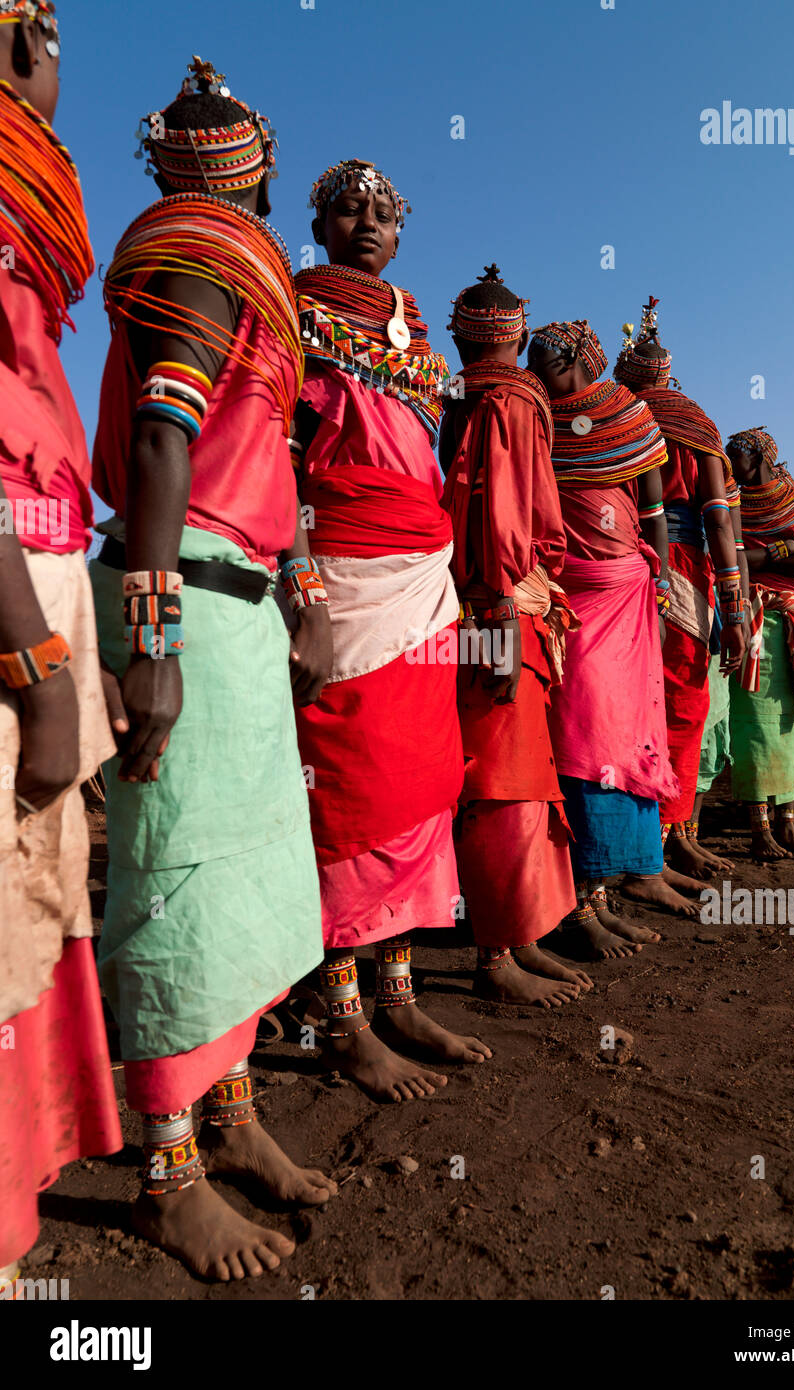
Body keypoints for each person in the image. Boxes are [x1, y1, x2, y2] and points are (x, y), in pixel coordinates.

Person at [90, 58, 336, 1281]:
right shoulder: (199, 256)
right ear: (257, 170)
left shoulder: (226, 264)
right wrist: (151, 643)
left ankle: (231, 1115)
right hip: (181, 591)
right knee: (176, 879)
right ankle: (165, 1172)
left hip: (228, 598)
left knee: (239, 878)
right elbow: (155, 436)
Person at [292, 161, 491, 1096]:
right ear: (318, 223)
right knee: (345, 788)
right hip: (339, 577)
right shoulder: (291, 314)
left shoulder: (418, 343)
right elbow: (280, 452)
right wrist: (293, 572)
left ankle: (401, 993)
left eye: (383, 212)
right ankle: (342, 1020)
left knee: (417, 782)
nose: (367, 223)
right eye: (347, 209)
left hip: (420, 576)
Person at [0, 0, 122, 1295]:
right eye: (45, 33)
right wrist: (34, 662)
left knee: (36, 897)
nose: (52, 65)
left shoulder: (29, 218)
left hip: (39, 586)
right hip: (9, 614)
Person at [439, 271, 593, 1006]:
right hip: (498, 607)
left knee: (515, 773)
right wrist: (502, 611)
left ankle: (520, 934)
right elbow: (502, 509)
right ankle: (494, 953)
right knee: (501, 778)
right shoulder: (507, 402)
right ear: (516, 337)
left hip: (483, 604)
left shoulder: (465, 396)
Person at [528, 317, 701, 944]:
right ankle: (579, 894)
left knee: (628, 732)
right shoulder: (534, 417)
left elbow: (654, 512)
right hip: (567, 592)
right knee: (580, 730)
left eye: (542, 354)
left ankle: (613, 883)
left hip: (626, 593)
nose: (532, 362)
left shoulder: (629, 417)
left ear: (574, 356)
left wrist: (655, 591)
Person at [615, 297, 745, 879]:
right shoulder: (694, 425)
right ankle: (673, 833)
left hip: (615, 564)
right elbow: (720, 519)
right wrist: (737, 604)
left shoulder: (612, 417)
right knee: (684, 700)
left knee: (628, 700)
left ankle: (647, 837)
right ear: (668, 370)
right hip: (684, 566)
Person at [726, 429, 794, 861]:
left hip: (791, 622)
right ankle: (759, 828)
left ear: (762, 457)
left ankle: (787, 823)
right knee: (754, 724)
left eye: (738, 455)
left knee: (791, 724)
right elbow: (728, 556)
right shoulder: (730, 500)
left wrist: (762, 555)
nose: (731, 463)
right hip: (750, 621)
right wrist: (781, 549)